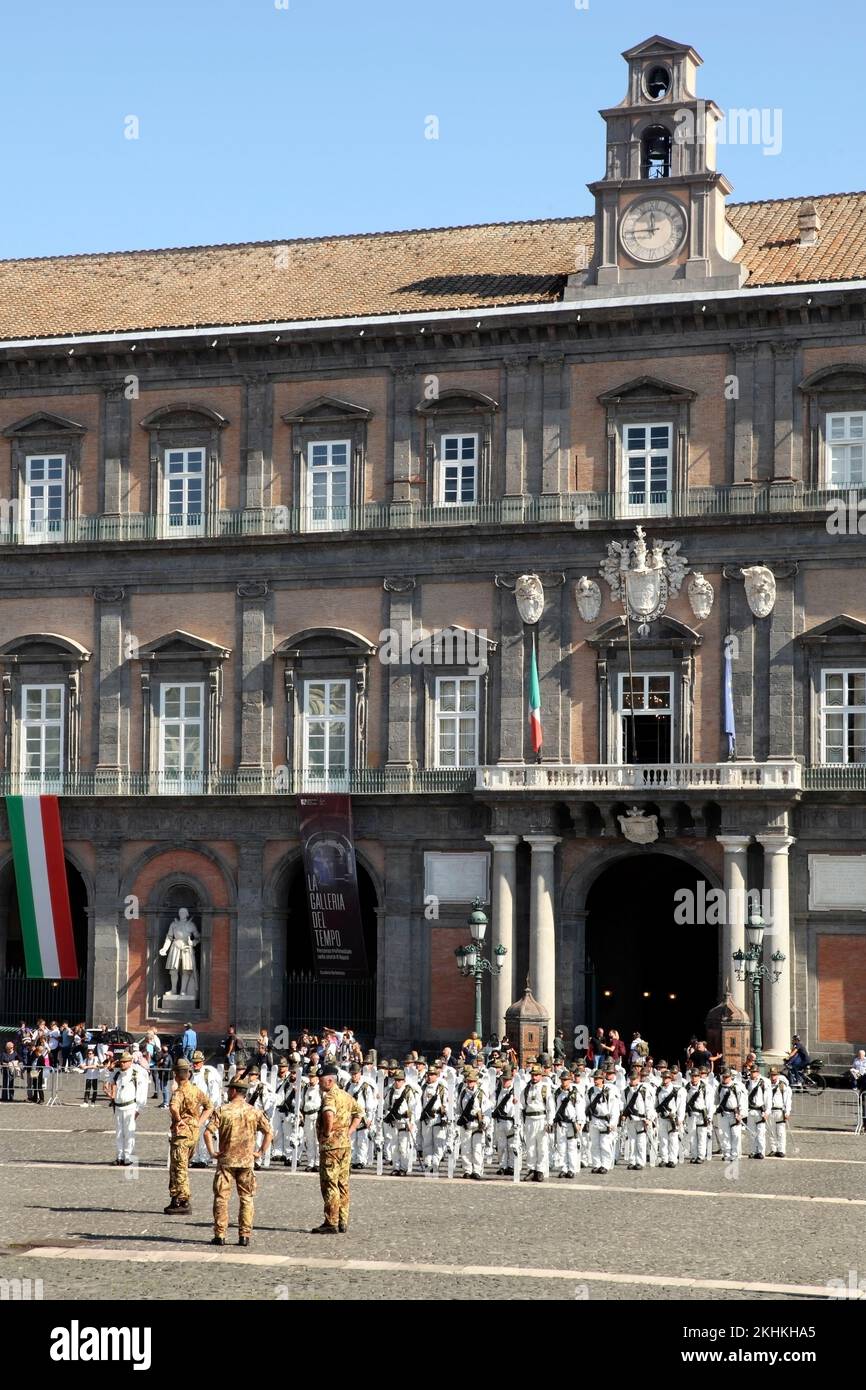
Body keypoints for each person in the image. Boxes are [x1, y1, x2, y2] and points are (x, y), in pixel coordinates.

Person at [204, 1076, 272, 1247]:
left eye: (229, 1090)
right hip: (246, 1161)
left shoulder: (222, 1110)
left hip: (226, 1160)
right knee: (247, 1198)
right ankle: (244, 1235)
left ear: (234, 1091)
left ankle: (220, 1235)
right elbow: (269, 1132)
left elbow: (207, 1132)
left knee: (221, 1198)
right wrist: (260, 1152)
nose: (227, 1092)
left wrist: (212, 1152)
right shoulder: (254, 1112)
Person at [312, 1063, 363, 1235]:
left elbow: (328, 1114)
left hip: (331, 1146)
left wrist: (327, 1132)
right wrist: (349, 1131)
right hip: (344, 1145)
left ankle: (331, 1221)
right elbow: (359, 1113)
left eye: (321, 1080)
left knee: (330, 1183)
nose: (319, 1083)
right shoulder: (347, 1096)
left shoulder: (330, 1097)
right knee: (343, 1183)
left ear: (329, 1080)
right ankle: (343, 1220)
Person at [165, 1057, 214, 1216]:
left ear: (176, 1074)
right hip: (193, 1131)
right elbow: (209, 1106)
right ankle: (175, 1197)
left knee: (179, 1167)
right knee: (179, 1164)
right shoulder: (196, 1090)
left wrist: (179, 1120)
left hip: (182, 1133)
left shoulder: (179, 1091)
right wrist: (199, 1122)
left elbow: (173, 1107)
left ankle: (183, 1200)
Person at [105, 1050, 149, 1165]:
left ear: (130, 1062)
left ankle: (129, 1156)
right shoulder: (117, 1074)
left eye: (125, 1062)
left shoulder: (136, 1074)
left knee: (129, 1133)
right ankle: (120, 1156)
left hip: (130, 1107)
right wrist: (110, 1068)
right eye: (122, 1062)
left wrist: (138, 1109)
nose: (122, 1064)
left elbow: (142, 1093)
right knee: (119, 1133)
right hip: (118, 1107)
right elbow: (106, 1080)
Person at [521, 1063, 554, 1181]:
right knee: (530, 1146)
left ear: (541, 1076)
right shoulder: (526, 1089)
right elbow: (522, 1105)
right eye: (533, 1075)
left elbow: (550, 1107)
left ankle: (540, 1170)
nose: (534, 1077)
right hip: (530, 1120)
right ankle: (531, 1169)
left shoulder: (545, 1088)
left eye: (537, 1075)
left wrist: (549, 1122)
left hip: (541, 1119)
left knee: (542, 1147)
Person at [189, 1051, 222, 1165]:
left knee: (204, 1132)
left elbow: (214, 1093)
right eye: (194, 1062)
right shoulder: (191, 1075)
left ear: (202, 1062)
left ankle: (203, 1158)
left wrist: (211, 1108)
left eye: (197, 1063)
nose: (195, 1065)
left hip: (206, 1108)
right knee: (195, 1132)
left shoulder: (208, 1074)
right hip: (194, 1109)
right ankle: (196, 1156)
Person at [745, 1064, 770, 1159]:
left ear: (758, 1072)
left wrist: (767, 1112)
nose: (753, 1074)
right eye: (752, 1072)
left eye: (755, 1072)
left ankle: (761, 1152)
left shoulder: (763, 1083)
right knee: (751, 1133)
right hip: (750, 1111)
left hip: (760, 1111)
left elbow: (767, 1099)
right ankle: (752, 1151)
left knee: (761, 1133)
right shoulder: (747, 1083)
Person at [767, 1066, 793, 1157]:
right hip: (770, 1111)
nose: (773, 1077)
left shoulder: (783, 1086)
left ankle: (781, 1150)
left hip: (779, 1111)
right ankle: (773, 1149)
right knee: (771, 1132)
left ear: (777, 1075)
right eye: (771, 1075)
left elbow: (787, 1100)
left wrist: (787, 1112)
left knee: (781, 1132)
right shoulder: (767, 1085)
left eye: (774, 1075)